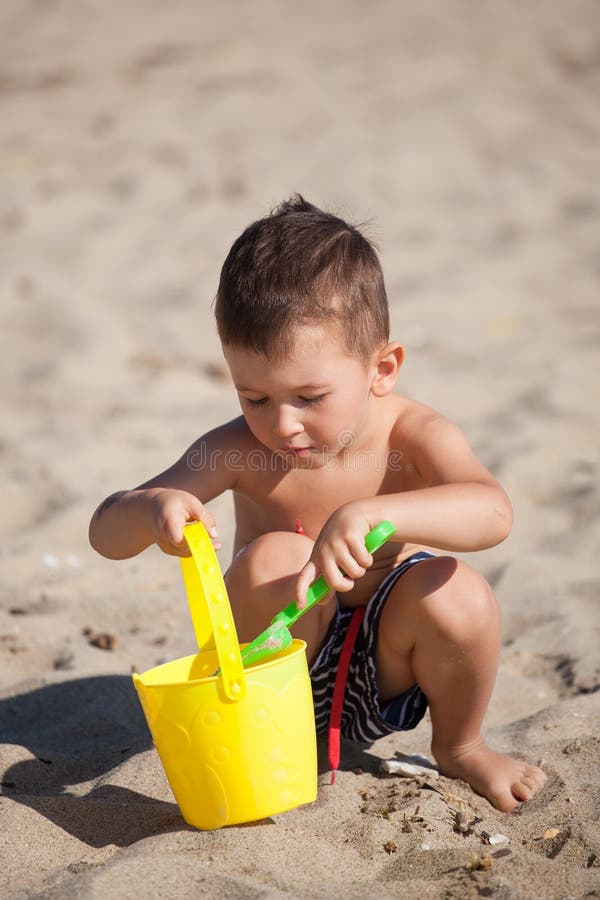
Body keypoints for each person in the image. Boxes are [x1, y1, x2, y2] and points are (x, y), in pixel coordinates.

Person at [89, 195, 546, 812]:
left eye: (310, 396)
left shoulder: (413, 436)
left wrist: (372, 516)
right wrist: (150, 510)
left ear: (381, 369)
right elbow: (103, 533)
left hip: (390, 664)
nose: (282, 426)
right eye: (254, 398)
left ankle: (461, 746)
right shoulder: (235, 450)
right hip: (278, 672)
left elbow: (494, 513)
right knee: (274, 554)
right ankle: (279, 741)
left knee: (457, 591)